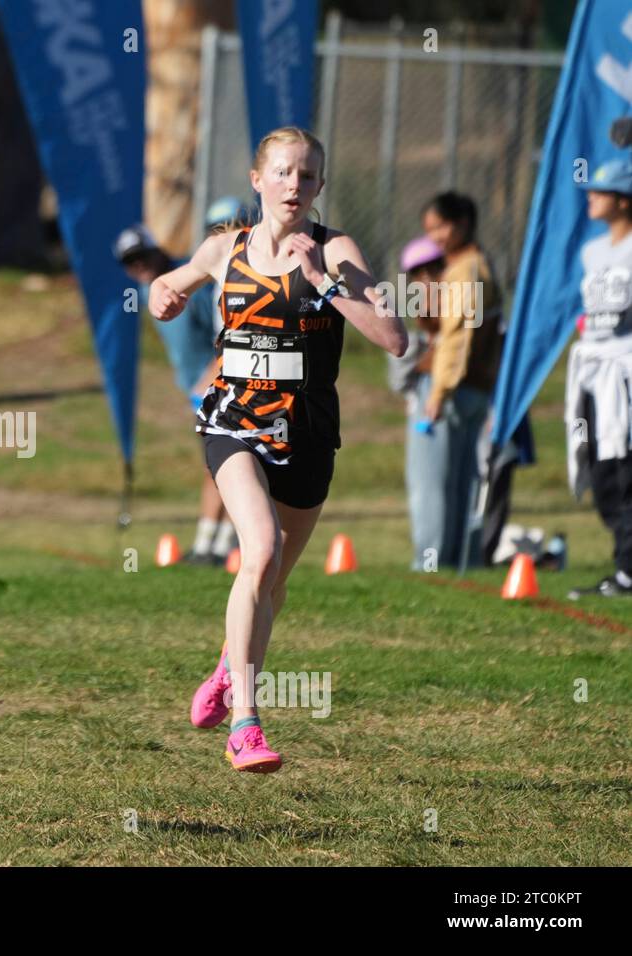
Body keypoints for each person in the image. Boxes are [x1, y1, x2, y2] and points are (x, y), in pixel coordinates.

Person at [149, 127, 406, 772]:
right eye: (285, 172)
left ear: (319, 187)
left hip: (309, 433)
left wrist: (324, 283)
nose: (296, 185)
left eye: (309, 176)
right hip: (234, 420)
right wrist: (164, 295)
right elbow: (168, 285)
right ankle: (246, 726)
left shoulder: (335, 249)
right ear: (258, 179)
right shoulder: (224, 248)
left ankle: (227, 667)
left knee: (272, 582)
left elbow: (394, 337)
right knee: (258, 549)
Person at [114, 199, 253, 564]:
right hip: (197, 389)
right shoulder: (152, 288)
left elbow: (225, 334)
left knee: (225, 463)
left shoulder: (196, 284)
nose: (138, 265)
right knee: (215, 465)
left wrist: (211, 376)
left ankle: (220, 545)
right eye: (129, 262)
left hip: (220, 382)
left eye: (142, 255)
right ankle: (211, 542)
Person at [419, 191, 504, 570]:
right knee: (459, 482)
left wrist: (439, 391)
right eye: (430, 230)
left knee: (433, 484)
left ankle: (431, 562)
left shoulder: (463, 270)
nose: (434, 237)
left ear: (463, 224)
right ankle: (455, 561)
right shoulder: (483, 264)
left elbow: (456, 335)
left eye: (440, 227)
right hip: (478, 390)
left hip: (453, 388)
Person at [565, 157, 632, 599]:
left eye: (600, 191)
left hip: (626, 375)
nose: (590, 197)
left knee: (626, 471)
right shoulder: (591, 251)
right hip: (594, 374)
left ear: (624, 201)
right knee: (600, 469)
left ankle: (627, 571)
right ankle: (624, 564)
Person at [390, 236, 447, 569]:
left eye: (431, 272)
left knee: (430, 485)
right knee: (432, 483)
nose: (424, 282)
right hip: (426, 398)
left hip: (436, 399)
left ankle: (431, 559)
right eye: (417, 275)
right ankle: (441, 557)